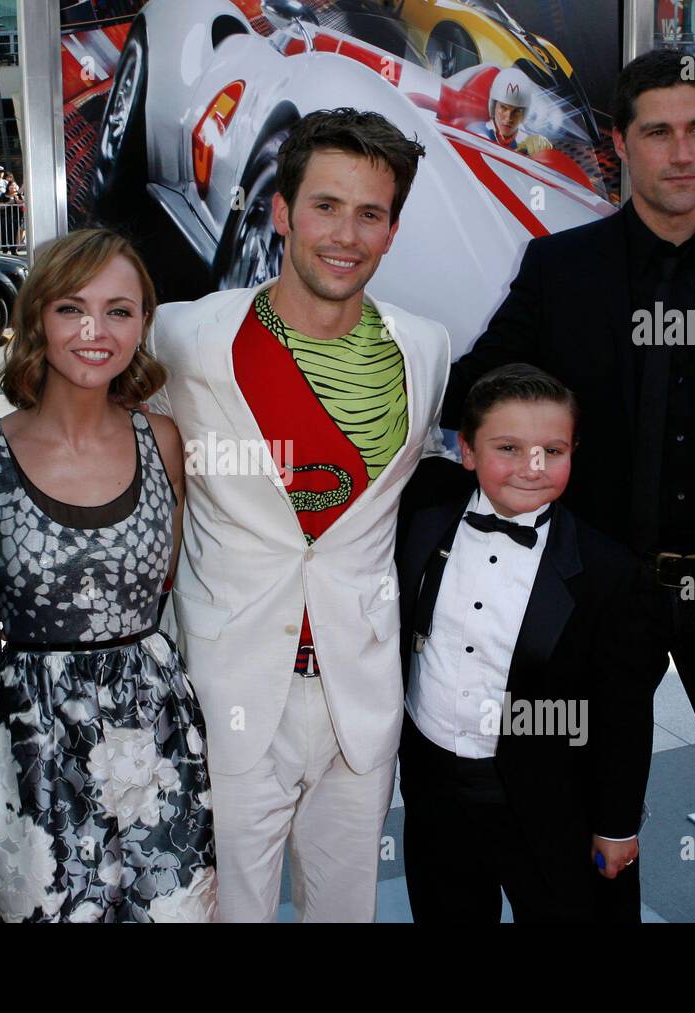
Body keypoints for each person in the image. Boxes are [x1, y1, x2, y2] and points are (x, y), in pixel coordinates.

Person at [441, 49, 695, 922]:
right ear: (621, 144)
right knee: (598, 823)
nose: (682, 152)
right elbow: (472, 390)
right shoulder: (561, 270)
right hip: (598, 593)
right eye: (658, 132)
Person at [148, 107, 450, 922]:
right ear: (281, 213)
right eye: (325, 205)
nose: (344, 234)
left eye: (370, 213)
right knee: (228, 912)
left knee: (346, 910)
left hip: (360, 688)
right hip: (230, 682)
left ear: (392, 230)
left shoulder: (428, 349)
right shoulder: (183, 335)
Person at [0, 228, 215, 923]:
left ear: (144, 323)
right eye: (72, 308)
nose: (95, 331)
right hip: (31, 739)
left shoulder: (164, 441)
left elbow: (166, 579)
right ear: (36, 317)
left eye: (120, 310)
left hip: (154, 732)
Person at [396, 364, 647, 922]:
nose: (531, 468)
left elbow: (624, 712)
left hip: (550, 801)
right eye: (507, 447)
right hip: (434, 788)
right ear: (465, 451)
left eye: (552, 451)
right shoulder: (421, 515)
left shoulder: (609, 571)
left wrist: (617, 825)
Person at [475, 66, 552, 156]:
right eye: (503, 107)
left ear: (524, 114)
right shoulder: (477, 132)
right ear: (494, 106)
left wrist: (544, 148)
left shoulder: (527, 140)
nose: (509, 118)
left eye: (517, 111)